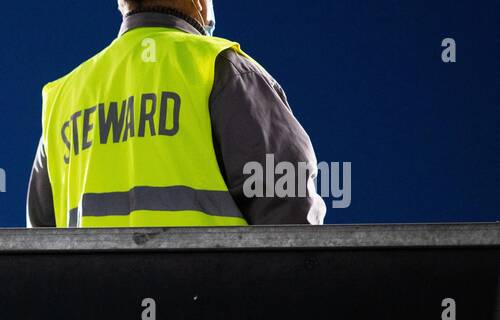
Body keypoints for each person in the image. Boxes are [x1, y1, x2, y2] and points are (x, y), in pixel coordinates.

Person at [27, 0, 326, 228]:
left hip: (92, 308)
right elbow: (290, 207)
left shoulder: (64, 97)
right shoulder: (221, 69)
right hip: (212, 304)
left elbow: (39, 251)